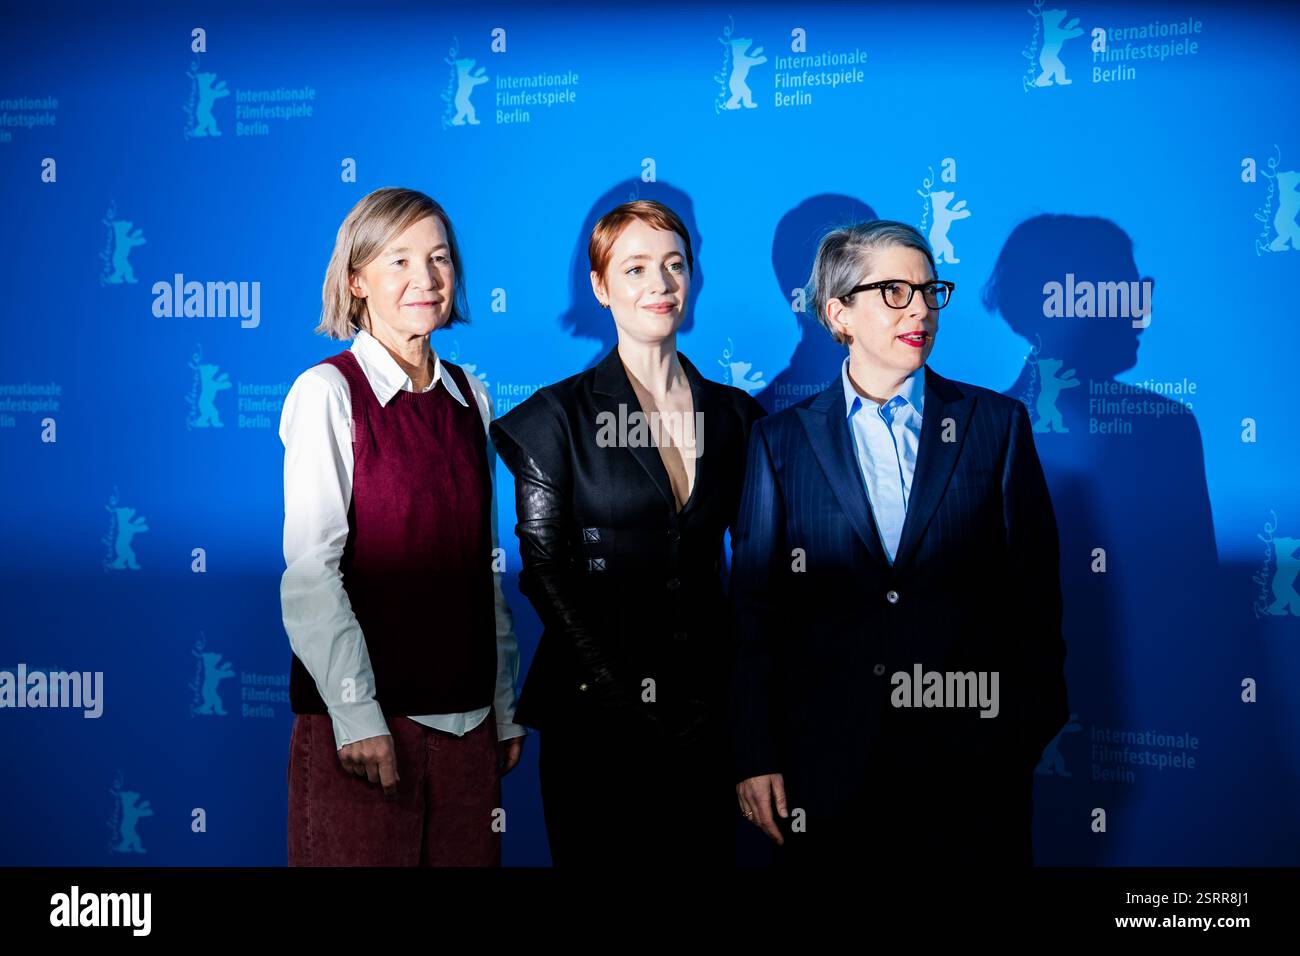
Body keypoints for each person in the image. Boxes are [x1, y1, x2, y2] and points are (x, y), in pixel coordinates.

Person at [731, 220, 1070, 866]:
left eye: (929, 290)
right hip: (825, 776)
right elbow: (755, 613)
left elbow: (1034, 598)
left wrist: (1016, 734)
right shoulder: (779, 441)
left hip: (973, 778)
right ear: (839, 313)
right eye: (894, 292)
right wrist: (756, 753)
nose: (920, 309)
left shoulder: (995, 425)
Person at [489, 199, 765, 866]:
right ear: (600, 285)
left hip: (708, 716)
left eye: (675, 265)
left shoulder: (737, 416)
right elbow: (545, 573)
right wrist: (629, 696)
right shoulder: (552, 419)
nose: (660, 284)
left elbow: (758, 571)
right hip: (596, 721)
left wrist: (731, 707)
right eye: (635, 268)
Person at [280, 187, 524, 866]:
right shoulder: (327, 393)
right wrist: (356, 716)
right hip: (366, 735)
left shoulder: (471, 396)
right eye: (400, 260)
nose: (427, 277)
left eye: (439, 258)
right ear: (357, 280)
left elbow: (482, 570)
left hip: (469, 730)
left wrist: (502, 704)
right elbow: (312, 574)